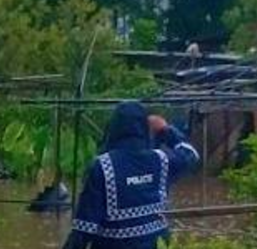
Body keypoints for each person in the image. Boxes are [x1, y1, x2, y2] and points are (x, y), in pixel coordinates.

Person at [62, 101, 200, 249]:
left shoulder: (102, 166)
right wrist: (166, 130)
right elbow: (191, 154)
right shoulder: (162, 161)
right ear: (144, 128)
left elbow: (84, 229)